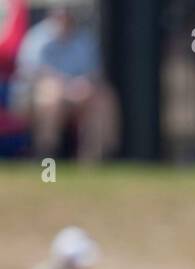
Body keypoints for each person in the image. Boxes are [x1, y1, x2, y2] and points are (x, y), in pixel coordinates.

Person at [13, 2, 117, 161]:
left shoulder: (84, 39)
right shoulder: (37, 37)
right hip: (34, 96)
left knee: (104, 99)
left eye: (68, 11)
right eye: (61, 11)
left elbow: (93, 74)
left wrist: (81, 86)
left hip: (76, 94)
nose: (64, 15)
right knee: (51, 96)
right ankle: (47, 156)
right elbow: (31, 74)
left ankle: (96, 158)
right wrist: (61, 85)